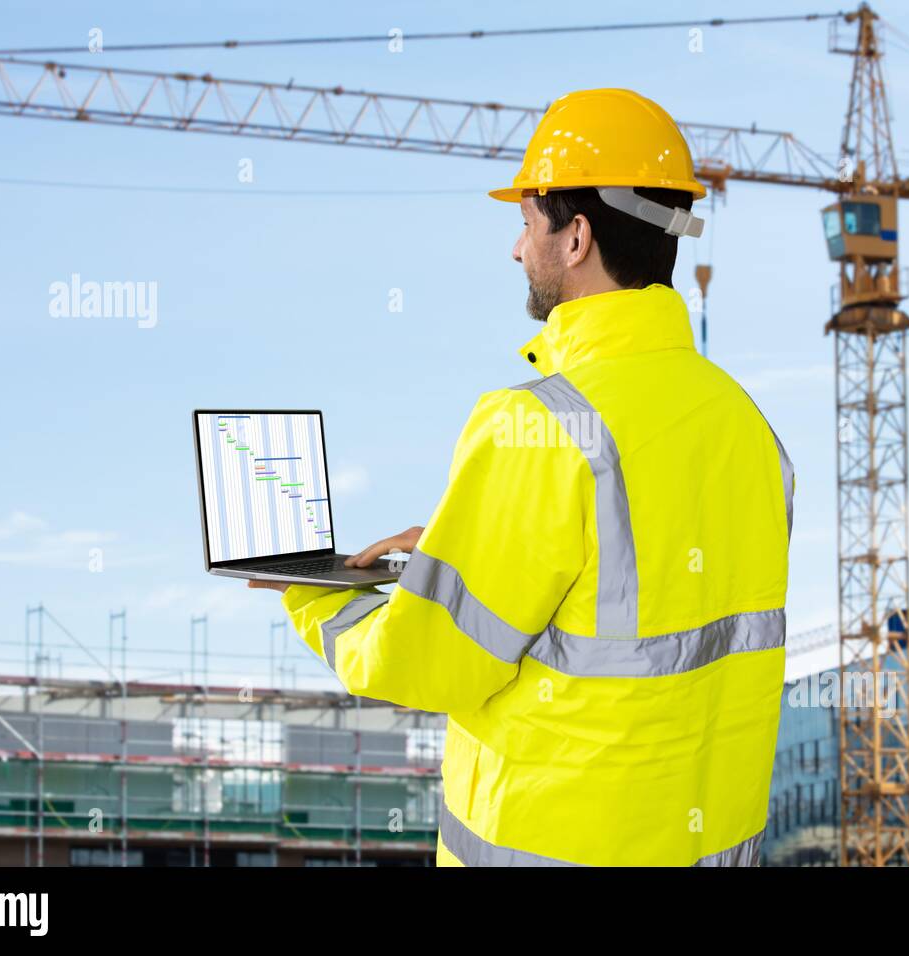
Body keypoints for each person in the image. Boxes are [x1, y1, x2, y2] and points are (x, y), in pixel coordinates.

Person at [250, 88, 794, 866]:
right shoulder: (749, 428)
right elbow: (643, 584)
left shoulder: (538, 426)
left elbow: (421, 662)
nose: (515, 248)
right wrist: (460, 546)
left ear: (576, 237)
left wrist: (309, 589)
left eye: (527, 222)